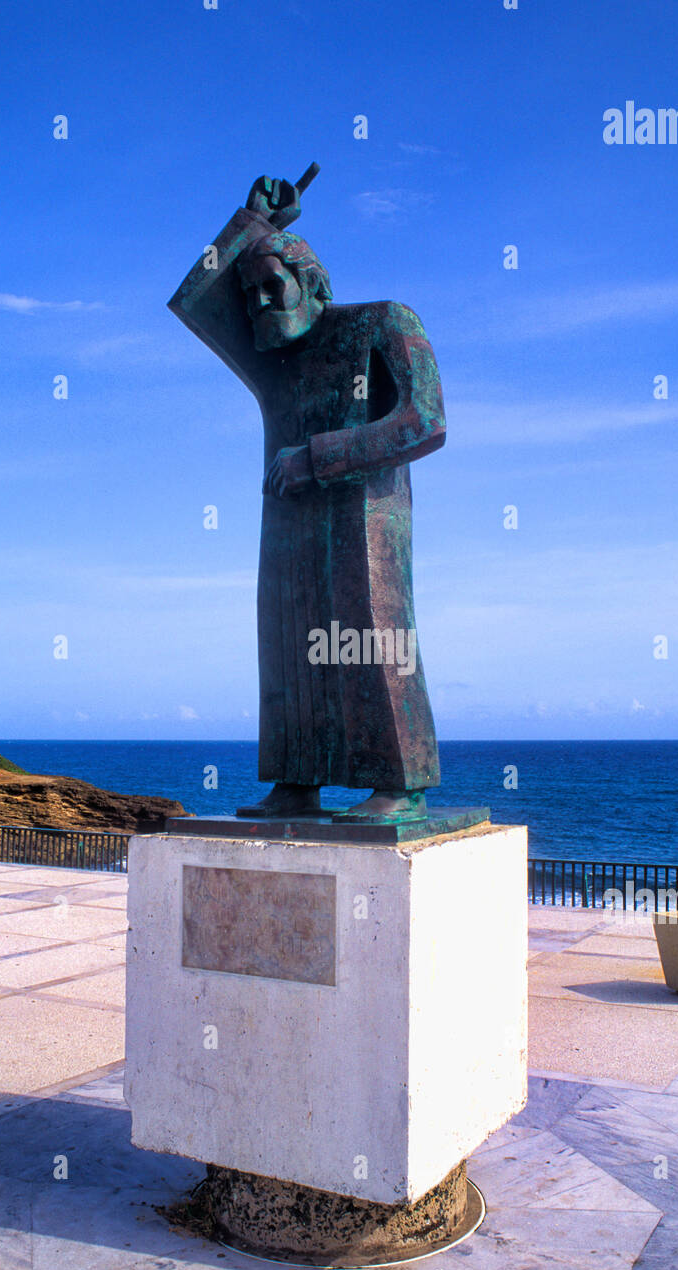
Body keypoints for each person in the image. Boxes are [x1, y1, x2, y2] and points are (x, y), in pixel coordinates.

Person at [169, 173, 446, 821]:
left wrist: (318, 459)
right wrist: (255, 224)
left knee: (370, 631)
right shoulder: (274, 365)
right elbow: (193, 299)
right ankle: (296, 780)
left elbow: (425, 422)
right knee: (287, 641)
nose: (262, 302)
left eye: (274, 286)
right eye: (253, 293)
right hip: (287, 528)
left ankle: (400, 784)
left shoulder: (383, 323)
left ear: (312, 284)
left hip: (364, 519)